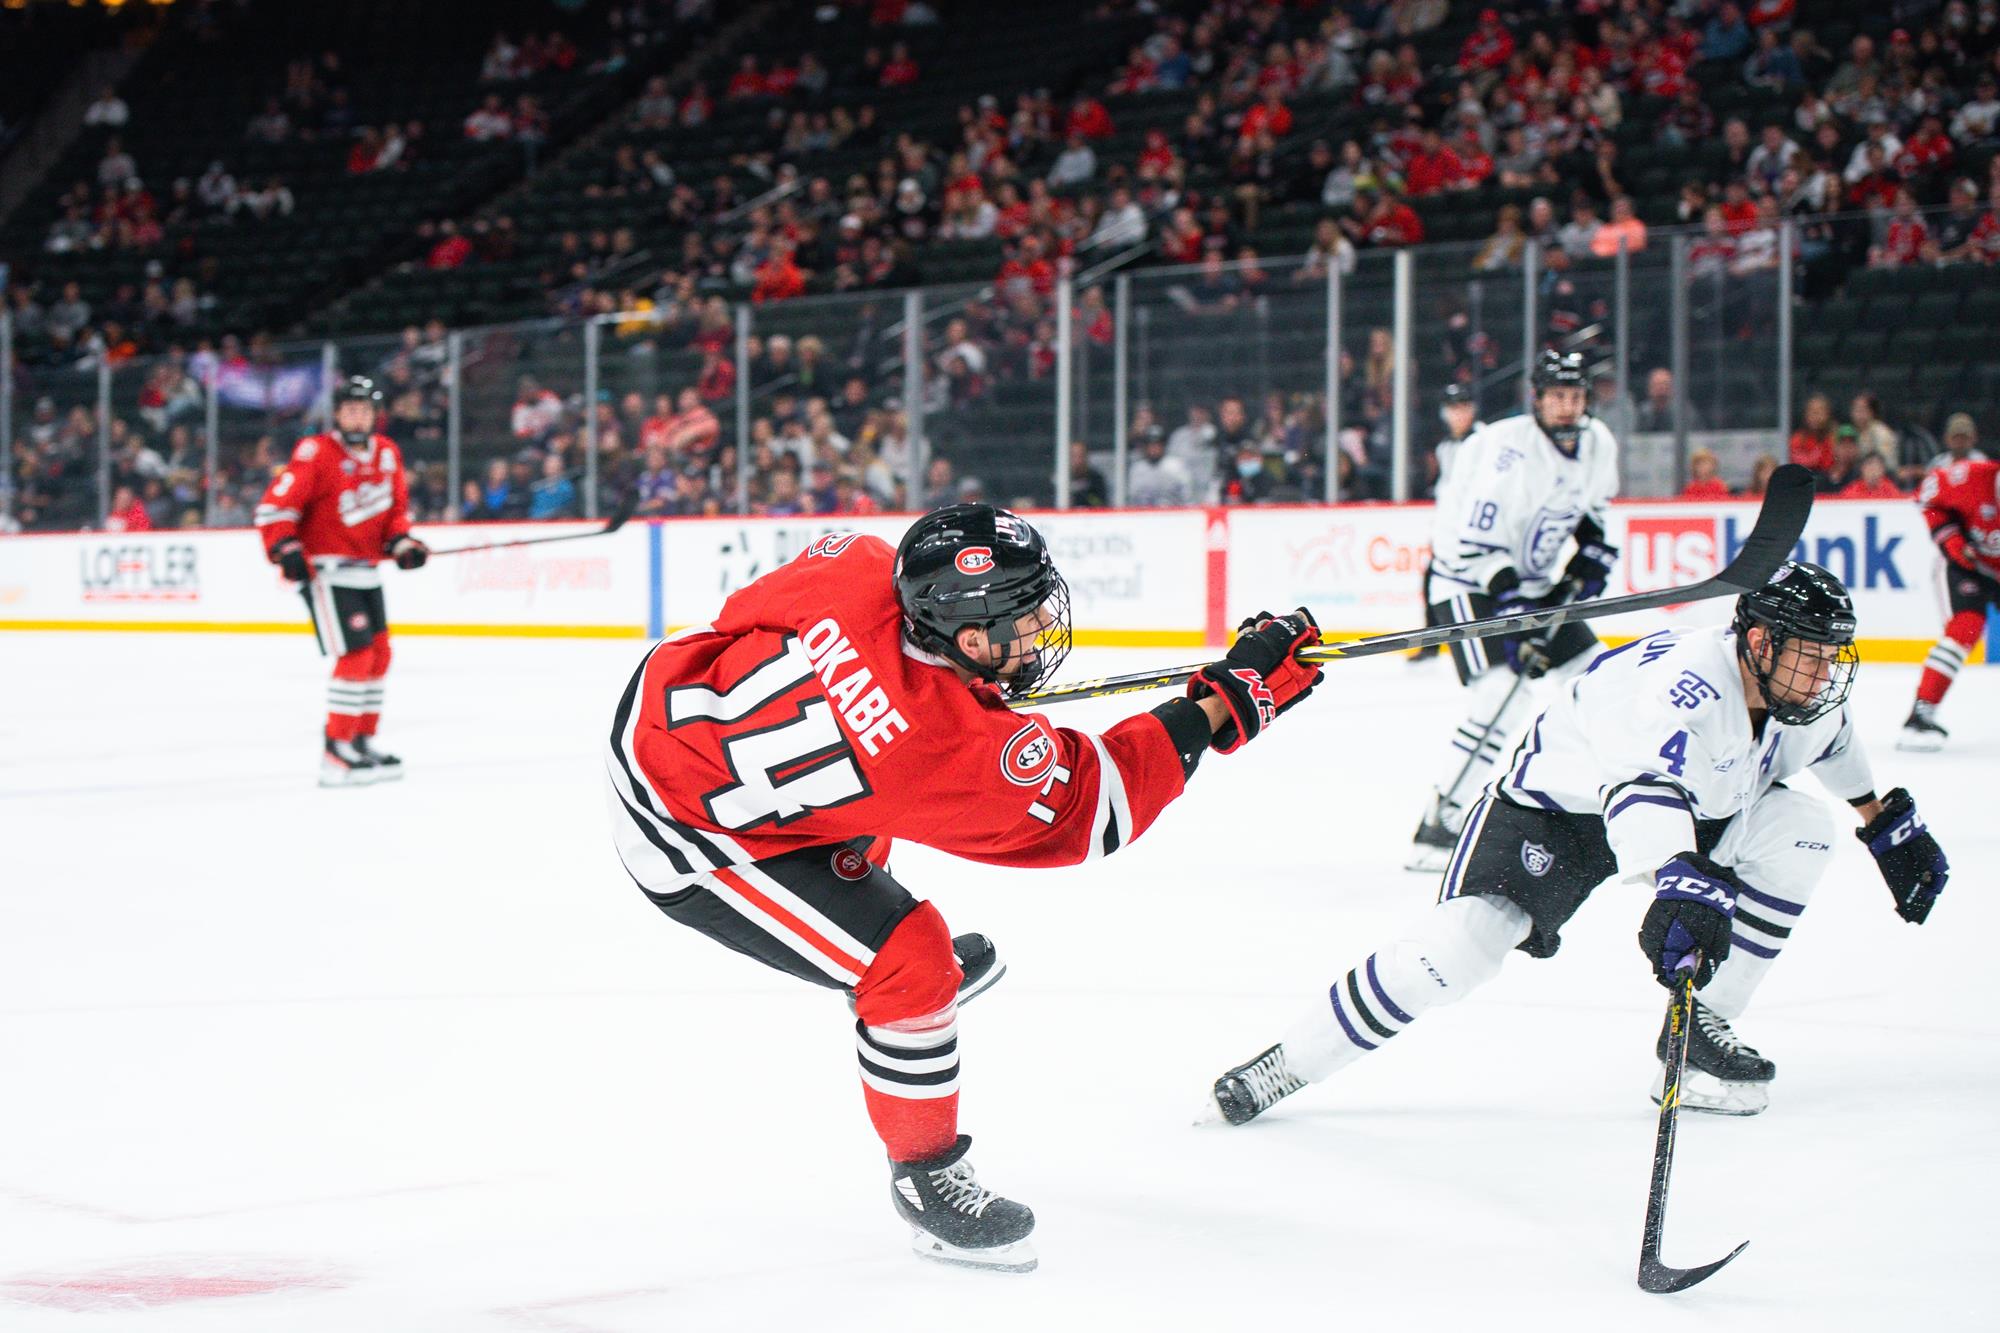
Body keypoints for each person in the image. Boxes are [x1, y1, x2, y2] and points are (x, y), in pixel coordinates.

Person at [603, 505, 1322, 1271]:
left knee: (862, 805)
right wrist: (1224, 701)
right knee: (909, 964)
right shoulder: (943, 748)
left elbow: (741, 619)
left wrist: (926, 694)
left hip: (668, 701)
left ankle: (897, 1005)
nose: (1044, 622)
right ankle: (926, 1181)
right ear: (968, 636)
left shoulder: (857, 561)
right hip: (690, 829)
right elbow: (1095, 806)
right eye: (1026, 615)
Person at [1209, 564, 1948, 1126]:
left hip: (1692, 804)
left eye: (1832, 656)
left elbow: (1837, 740)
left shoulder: (1794, 692)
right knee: (1454, 952)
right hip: (1558, 812)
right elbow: (1640, 791)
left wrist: (1883, 821)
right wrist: (1678, 883)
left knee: (1804, 830)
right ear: (1761, 640)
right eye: (1815, 655)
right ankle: (1287, 1064)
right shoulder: (1681, 689)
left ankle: (1695, 1034)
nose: (1828, 674)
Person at [1407, 351, 1620, 870]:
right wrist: (1518, 613)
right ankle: (1439, 822)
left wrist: (1590, 557)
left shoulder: (1598, 443)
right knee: (1504, 690)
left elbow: (1591, 514)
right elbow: (1470, 546)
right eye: (1557, 397)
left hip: (1533, 582)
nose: (1568, 407)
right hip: (1466, 579)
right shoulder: (1504, 450)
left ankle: (1628, 802)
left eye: (1576, 397)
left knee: (1599, 681)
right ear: (1538, 399)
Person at [254, 376, 429, 786]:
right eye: (349, 408)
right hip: (328, 573)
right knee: (356, 656)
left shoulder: (387, 453)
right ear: (336, 413)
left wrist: (402, 543)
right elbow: (273, 509)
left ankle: (361, 740)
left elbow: (395, 514)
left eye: (364, 409)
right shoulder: (317, 453)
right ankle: (336, 749)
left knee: (380, 654)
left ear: (374, 415)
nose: (356, 416)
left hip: (366, 572)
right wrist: (285, 547)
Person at [1898, 450, 2000, 750]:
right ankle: (1921, 711)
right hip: (1965, 565)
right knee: (1966, 627)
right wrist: (1951, 539)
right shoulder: (1969, 476)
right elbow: (1926, 498)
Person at [1410, 383, 1486, 663]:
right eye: (1453, 408)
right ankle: (1433, 642)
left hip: (1475, 530)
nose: (1459, 414)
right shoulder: (1445, 447)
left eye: (1463, 407)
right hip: (1448, 529)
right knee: (1434, 582)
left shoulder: (1483, 441)